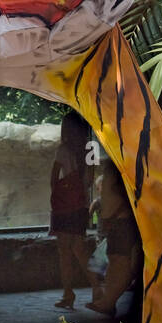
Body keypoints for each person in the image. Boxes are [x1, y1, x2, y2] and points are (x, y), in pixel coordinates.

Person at [84, 160, 143, 323]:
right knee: (114, 261)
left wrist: (119, 212)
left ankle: (109, 301)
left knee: (121, 262)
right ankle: (108, 302)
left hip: (122, 222)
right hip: (116, 224)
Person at [50, 111, 96, 309]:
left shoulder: (63, 149)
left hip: (64, 207)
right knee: (78, 248)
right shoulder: (90, 147)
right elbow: (91, 178)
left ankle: (69, 292)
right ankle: (96, 286)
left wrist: (60, 195)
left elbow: (53, 178)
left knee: (65, 252)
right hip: (81, 205)